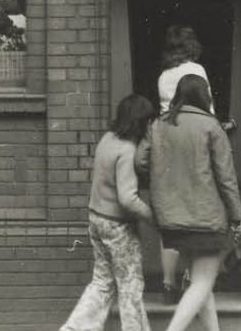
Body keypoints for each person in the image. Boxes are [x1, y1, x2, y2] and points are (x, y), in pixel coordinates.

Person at [144, 75, 241, 331]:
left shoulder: (159, 124)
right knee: (202, 282)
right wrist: (237, 215)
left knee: (202, 285)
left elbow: (141, 161)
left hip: (172, 218)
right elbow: (226, 177)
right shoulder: (211, 126)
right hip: (206, 218)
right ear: (204, 95)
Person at [60, 95, 156, 331]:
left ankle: (74, 328)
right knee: (130, 287)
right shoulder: (126, 150)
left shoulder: (107, 139)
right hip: (118, 227)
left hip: (96, 219)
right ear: (140, 122)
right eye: (148, 121)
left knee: (102, 282)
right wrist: (155, 217)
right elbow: (128, 199)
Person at [154, 25, 215, 303]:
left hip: (168, 142)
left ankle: (167, 283)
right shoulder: (197, 71)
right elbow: (207, 107)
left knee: (171, 218)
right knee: (193, 215)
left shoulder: (163, 76)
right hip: (194, 142)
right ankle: (192, 277)